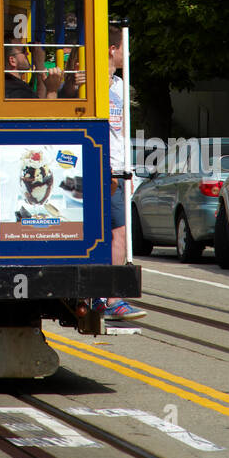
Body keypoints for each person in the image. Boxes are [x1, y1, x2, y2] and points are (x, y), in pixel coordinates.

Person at [97, 24, 145, 323]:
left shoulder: (119, 86)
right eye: (125, 49)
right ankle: (96, 295)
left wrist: (130, 171)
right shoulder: (93, 84)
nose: (128, 55)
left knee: (119, 233)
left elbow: (121, 133)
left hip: (118, 169)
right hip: (99, 169)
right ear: (113, 49)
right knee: (97, 235)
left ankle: (113, 298)